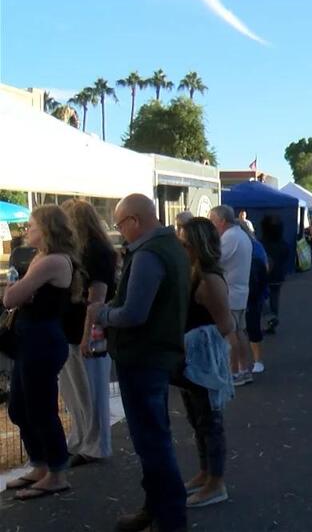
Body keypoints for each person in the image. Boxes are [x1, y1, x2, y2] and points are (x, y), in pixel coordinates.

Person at [88, 194, 190, 531]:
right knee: (154, 437)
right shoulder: (170, 247)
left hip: (143, 357)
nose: (119, 231)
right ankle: (157, 508)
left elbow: (134, 313)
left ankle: (170, 517)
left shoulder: (148, 254)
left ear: (134, 220)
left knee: (152, 441)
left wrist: (102, 314)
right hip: (156, 354)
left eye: (120, 225)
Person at [4, 205, 79, 501]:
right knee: (19, 407)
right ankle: (40, 464)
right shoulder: (42, 258)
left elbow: (11, 297)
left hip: (42, 340)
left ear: (47, 229)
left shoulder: (52, 261)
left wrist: (18, 288)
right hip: (30, 339)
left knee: (41, 408)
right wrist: (21, 290)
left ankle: (57, 472)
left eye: (32, 225)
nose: (27, 230)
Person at [176, 217, 235, 508]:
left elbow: (226, 324)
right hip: (191, 363)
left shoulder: (210, 278)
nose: (181, 248)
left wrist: (194, 340)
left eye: (185, 244)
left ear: (199, 246)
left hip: (204, 363)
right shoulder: (193, 272)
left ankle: (216, 483)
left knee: (210, 422)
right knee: (198, 420)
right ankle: (205, 472)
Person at [59, 199, 117, 468]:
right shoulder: (90, 250)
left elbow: (97, 298)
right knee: (77, 393)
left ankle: (94, 444)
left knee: (90, 393)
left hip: (86, 331)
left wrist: (86, 335)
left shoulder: (96, 252)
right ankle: (82, 439)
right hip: (74, 329)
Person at [208, 205, 254, 386]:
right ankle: (244, 369)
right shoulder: (241, 235)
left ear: (221, 221)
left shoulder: (230, 237)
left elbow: (214, 260)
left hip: (231, 292)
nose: (211, 225)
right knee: (239, 332)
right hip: (240, 291)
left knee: (230, 333)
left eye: (212, 221)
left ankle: (234, 372)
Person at [239, 220, 269, 374]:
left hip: (248, 291)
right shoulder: (257, 245)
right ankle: (256, 361)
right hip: (254, 292)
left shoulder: (250, 247)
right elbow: (266, 267)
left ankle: (248, 363)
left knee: (245, 328)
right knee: (251, 326)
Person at [261, 215, 290, 335]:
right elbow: (286, 256)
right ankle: (272, 323)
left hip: (264, 274)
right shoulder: (283, 243)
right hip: (278, 274)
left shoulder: (262, 243)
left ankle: (269, 316)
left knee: (258, 297)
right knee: (275, 298)